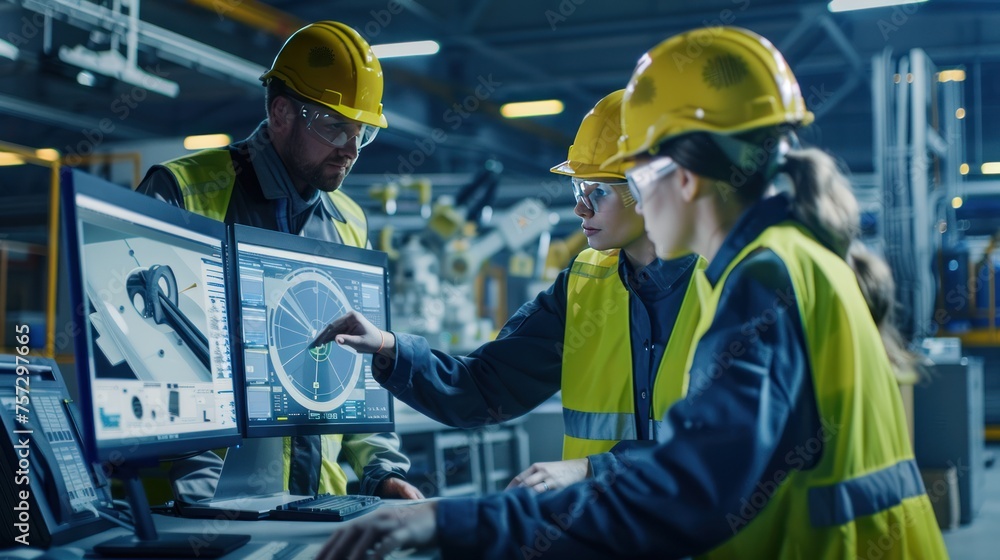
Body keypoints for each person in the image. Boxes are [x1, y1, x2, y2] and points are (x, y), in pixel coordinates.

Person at [317, 27, 948, 559]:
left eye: (630, 179)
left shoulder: (762, 276)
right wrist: (394, 352)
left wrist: (454, 522)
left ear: (684, 176)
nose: (595, 206)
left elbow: (691, 490)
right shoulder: (793, 257)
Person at [311, 89, 705, 493]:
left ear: (649, 188)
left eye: (596, 192)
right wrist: (388, 347)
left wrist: (591, 470)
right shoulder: (583, 284)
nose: (580, 208)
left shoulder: (724, 285)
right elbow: (485, 387)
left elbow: (728, 441)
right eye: (578, 190)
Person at [136, 21, 422, 502]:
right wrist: (206, 504)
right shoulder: (185, 193)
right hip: (201, 508)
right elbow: (150, 356)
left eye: (363, 132)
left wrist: (381, 471)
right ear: (282, 112)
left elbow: (353, 371)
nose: (351, 150)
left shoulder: (349, 221)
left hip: (319, 506)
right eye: (335, 127)